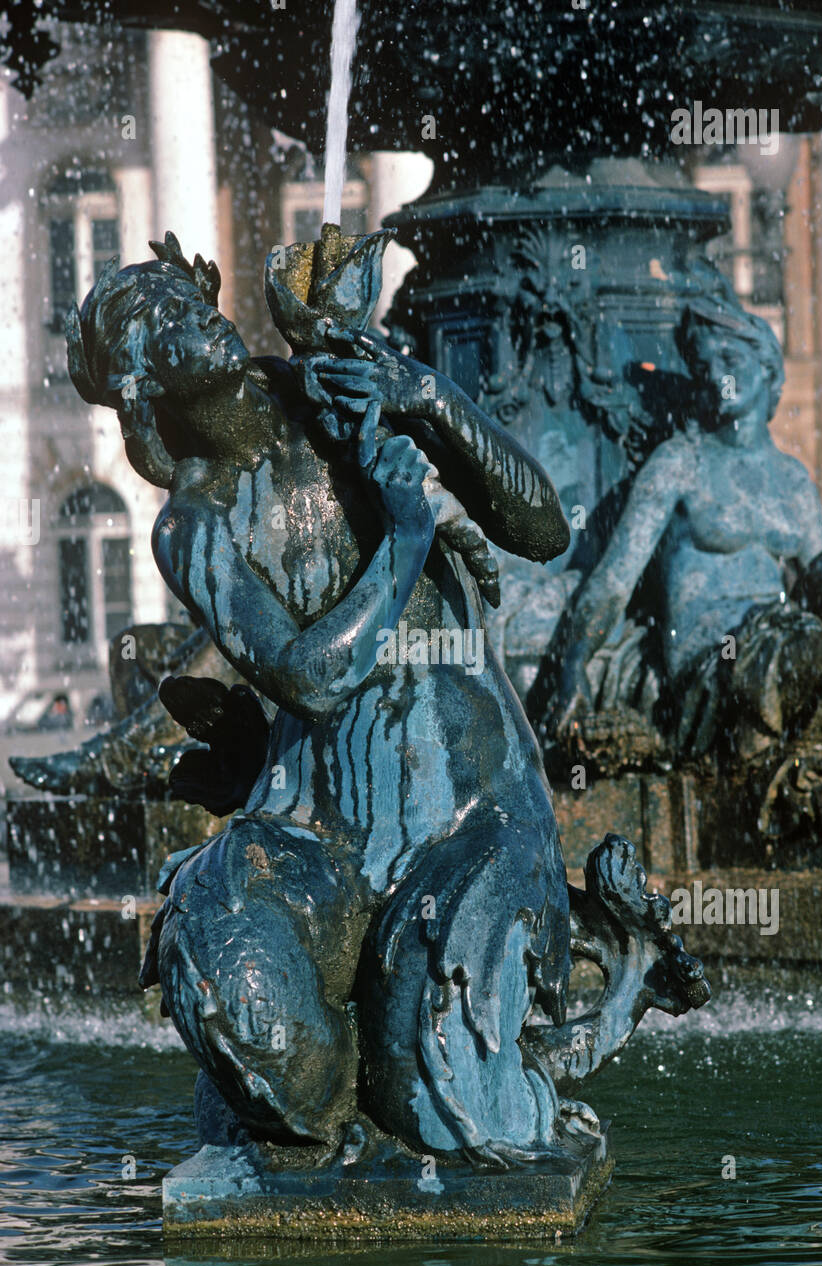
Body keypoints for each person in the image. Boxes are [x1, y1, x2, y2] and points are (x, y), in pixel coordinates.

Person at [65, 229, 578, 1168]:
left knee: (437, 1094)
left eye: (182, 297)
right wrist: (407, 535)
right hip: (313, 833)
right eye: (159, 321)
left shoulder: (341, 384)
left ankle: (414, 1075)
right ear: (139, 385)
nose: (191, 317)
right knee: (226, 978)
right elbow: (310, 678)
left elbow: (542, 529)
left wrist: (426, 397)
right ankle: (310, 1112)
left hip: (467, 806)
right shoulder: (195, 524)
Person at [527, 294, 822, 764]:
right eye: (704, 364)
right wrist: (573, 670)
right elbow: (612, 584)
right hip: (715, 665)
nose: (714, 372)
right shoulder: (681, 463)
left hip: (784, 641)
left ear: (767, 367)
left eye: (730, 358)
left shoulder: (791, 481)